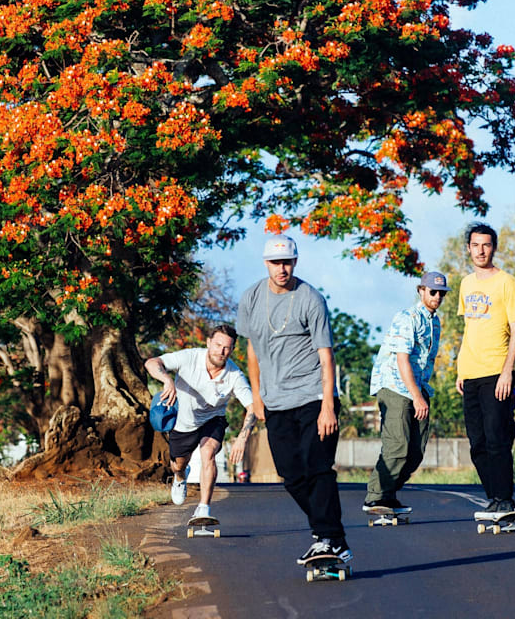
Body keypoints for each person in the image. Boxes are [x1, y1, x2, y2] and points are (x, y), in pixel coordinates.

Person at [236, 234, 350, 566]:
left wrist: (328, 405)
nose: (281, 269)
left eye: (287, 262)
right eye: (275, 263)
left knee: (317, 468)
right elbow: (252, 350)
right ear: (265, 263)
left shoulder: (310, 299)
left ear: (295, 262)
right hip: (276, 401)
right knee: (291, 474)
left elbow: (326, 356)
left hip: (314, 396)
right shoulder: (252, 298)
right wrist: (256, 396)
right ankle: (332, 537)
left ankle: (328, 538)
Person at [145, 324, 255, 522]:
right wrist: (167, 380)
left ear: (232, 350)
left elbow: (253, 407)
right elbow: (152, 363)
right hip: (184, 422)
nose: (221, 351)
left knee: (208, 453)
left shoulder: (234, 375)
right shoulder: (190, 357)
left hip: (213, 419)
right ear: (208, 343)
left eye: (227, 347)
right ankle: (180, 477)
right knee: (178, 464)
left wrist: (242, 438)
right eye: (218, 345)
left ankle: (204, 508)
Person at [456, 222, 515, 519]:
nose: (480, 250)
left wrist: (507, 371)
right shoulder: (466, 284)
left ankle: (505, 498)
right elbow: (468, 328)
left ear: (493, 248)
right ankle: (494, 497)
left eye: (486, 245)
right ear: (469, 248)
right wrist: (460, 370)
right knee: (477, 444)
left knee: (498, 439)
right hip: (470, 373)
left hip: (497, 372)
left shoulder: (506, 282)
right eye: (475, 245)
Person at [362, 270, 448, 513]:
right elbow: (402, 360)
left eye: (442, 293)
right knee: (397, 444)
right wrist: (417, 397)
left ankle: (387, 494)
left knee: (416, 451)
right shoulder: (407, 317)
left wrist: (420, 394)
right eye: (433, 292)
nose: (437, 297)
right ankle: (375, 496)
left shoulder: (435, 322)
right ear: (421, 291)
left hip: (417, 387)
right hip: (394, 385)